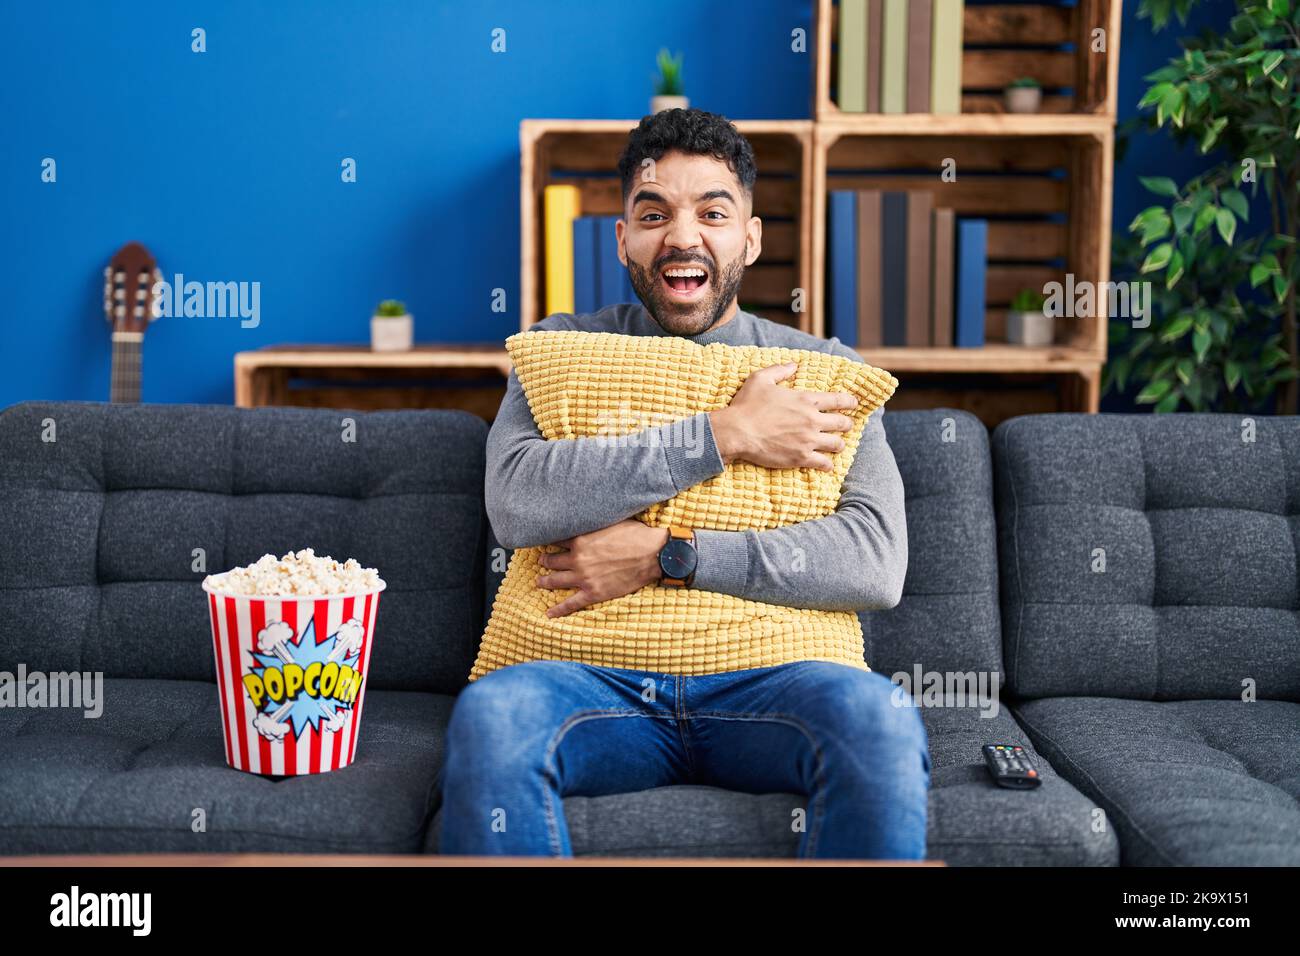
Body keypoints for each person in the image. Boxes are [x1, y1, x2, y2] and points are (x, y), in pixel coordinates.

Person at [438, 108, 930, 859]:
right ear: (623, 238)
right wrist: (726, 433)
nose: (682, 235)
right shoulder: (558, 350)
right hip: (592, 690)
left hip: (774, 688)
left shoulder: (825, 368)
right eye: (653, 213)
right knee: (492, 719)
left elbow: (874, 560)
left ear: (751, 238)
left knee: (880, 718)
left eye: (712, 212)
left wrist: (673, 553)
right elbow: (517, 501)